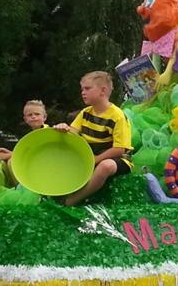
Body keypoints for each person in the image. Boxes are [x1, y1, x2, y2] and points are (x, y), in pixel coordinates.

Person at [54, 73, 133, 206]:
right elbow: (71, 135)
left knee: (105, 166)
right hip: (91, 156)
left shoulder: (117, 116)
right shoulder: (85, 113)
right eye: (82, 89)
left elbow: (119, 150)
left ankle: (73, 200)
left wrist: (95, 160)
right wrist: (63, 129)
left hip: (116, 159)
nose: (83, 93)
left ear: (103, 90)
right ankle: (55, 191)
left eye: (87, 88)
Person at [0, 100, 49, 181]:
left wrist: (9, 155)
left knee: (12, 162)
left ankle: (24, 189)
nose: (33, 117)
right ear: (25, 119)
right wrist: (10, 153)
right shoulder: (29, 136)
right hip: (36, 167)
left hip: (48, 167)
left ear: (44, 117)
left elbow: (37, 154)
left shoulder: (49, 132)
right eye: (30, 115)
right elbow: (26, 152)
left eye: (37, 114)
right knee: (10, 162)